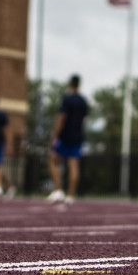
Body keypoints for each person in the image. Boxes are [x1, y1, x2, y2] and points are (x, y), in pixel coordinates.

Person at [47, 74, 89, 204]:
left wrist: (54, 135)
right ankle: (70, 196)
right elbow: (85, 120)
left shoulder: (67, 99)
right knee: (73, 165)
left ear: (70, 84)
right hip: (77, 136)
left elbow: (62, 118)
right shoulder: (83, 101)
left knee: (53, 160)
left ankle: (58, 190)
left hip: (65, 136)